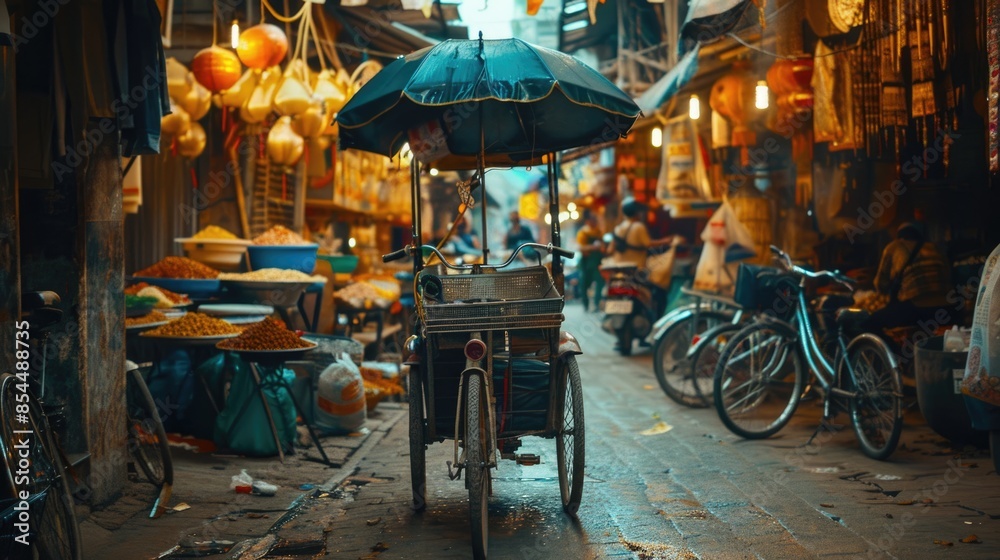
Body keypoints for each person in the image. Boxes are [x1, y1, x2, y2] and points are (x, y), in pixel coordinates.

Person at [867, 221, 951, 335]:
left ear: (899, 236)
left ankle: (891, 347)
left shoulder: (894, 246)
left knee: (870, 323)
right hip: (946, 308)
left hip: (916, 307)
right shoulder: (934, 247)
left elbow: (880, 283)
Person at [609, 197, 683, 318]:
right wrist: (667, 241)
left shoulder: (618, 228)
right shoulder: (638, 226)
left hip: (620, 270)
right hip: (637, 270)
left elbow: (610, 250)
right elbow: (648, 244)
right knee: (659, 291)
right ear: (636, 213)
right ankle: (657, 319)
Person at [576, 211, 605, 312]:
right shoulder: (583, 232)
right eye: (593, 219)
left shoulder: (598, 231)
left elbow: (602, 244)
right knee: (584, 284)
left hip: (597, 262)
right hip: (586, 262)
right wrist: (593, 247)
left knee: (600, 281)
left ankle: (596, 303)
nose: (594, 221)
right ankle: (586, 304)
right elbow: (580, 248)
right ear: (588, 221)